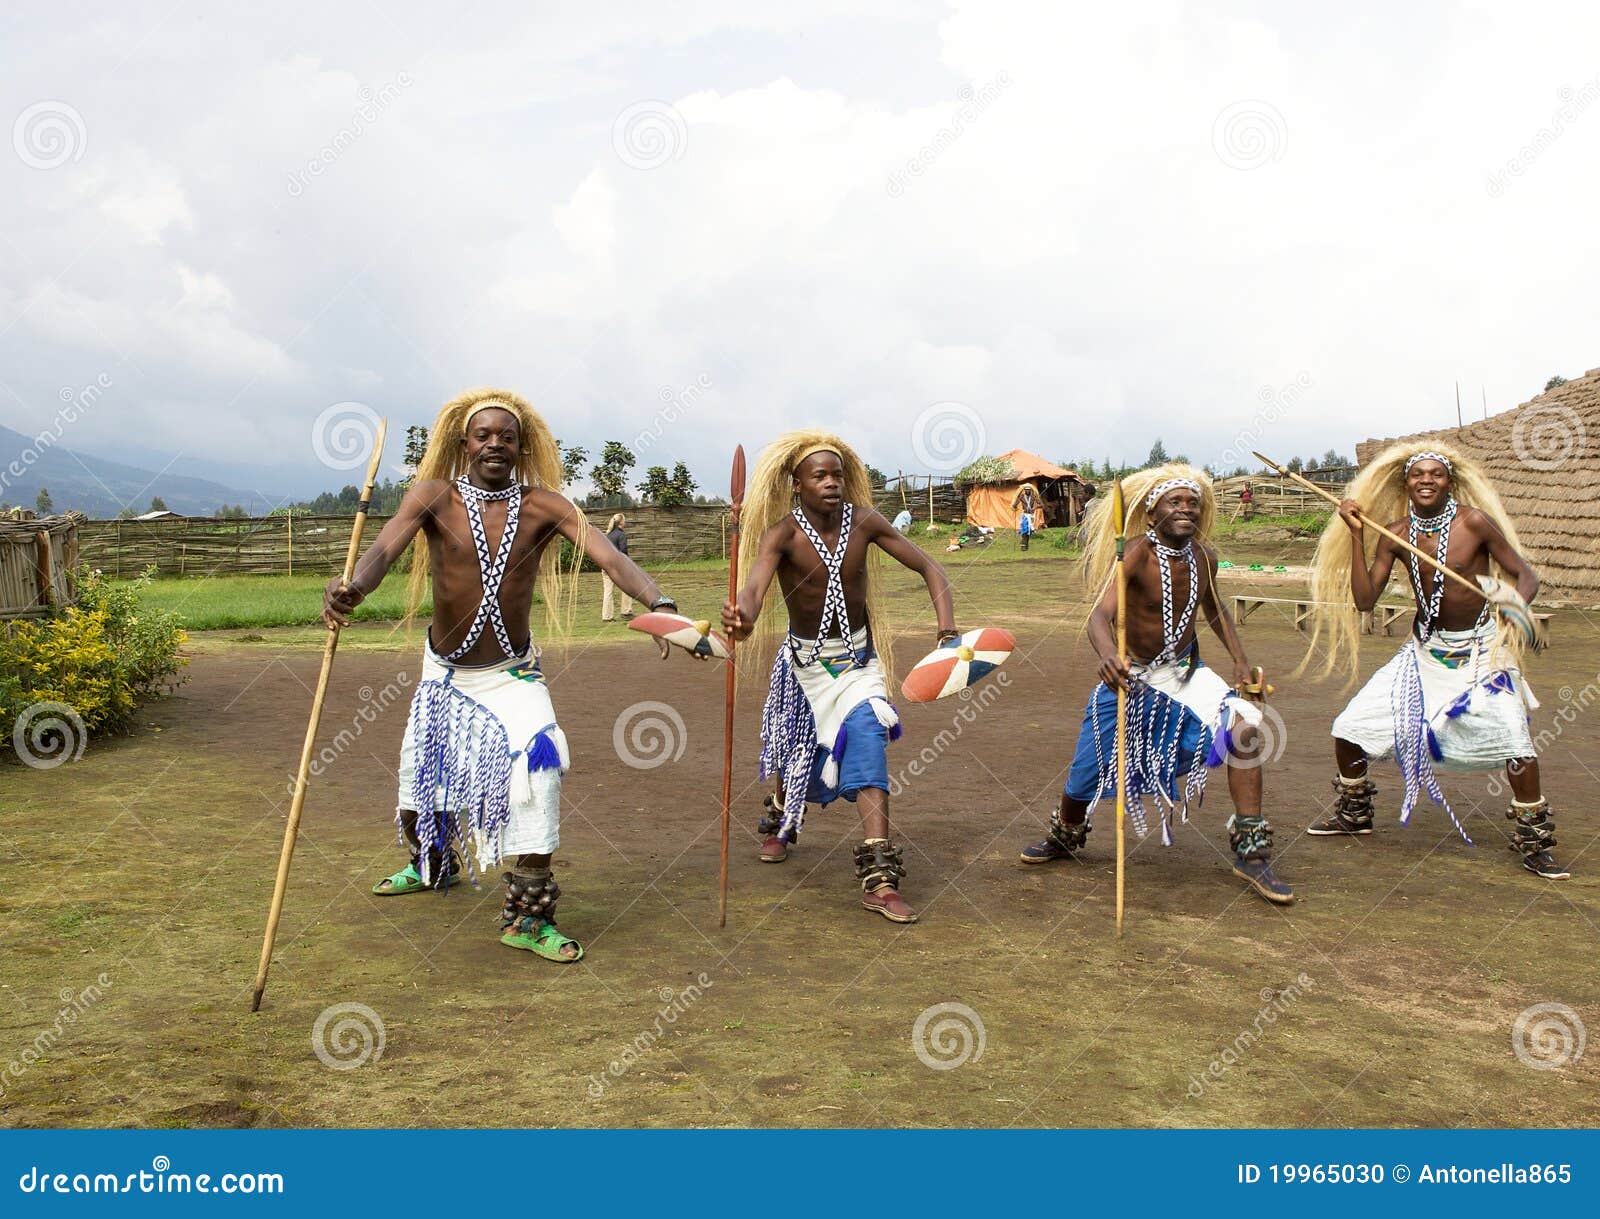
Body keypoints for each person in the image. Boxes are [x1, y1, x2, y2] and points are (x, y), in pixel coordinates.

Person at [322, 388, 694, 963]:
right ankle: (432, 864)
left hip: (514, 676)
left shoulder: (545, 506)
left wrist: (660, 602)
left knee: (541, 768)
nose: (495, 444)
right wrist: (352, 589)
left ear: (522, 449)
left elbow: (609, 557)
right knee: (424, 781)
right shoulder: (433, 497)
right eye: (483, 435)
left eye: (507, 437)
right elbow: (382, 550)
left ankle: (527, 915)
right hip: (444, 676)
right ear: (463, 444)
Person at [1019, 465, 1294, 905]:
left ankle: (1253, 851)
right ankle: (1067, 833)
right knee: (1087, 771)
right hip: (1134, 674)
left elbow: (1215, 610)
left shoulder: (1205, 557)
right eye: (1175, 502)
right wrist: (1110, 656)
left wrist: (1240, 660)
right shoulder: (1134, 554)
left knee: (1244, 728)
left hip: (1185, 672)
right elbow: (1098, 617)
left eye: (1193, 503)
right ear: (1151, 514)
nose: (1187, 509)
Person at [1298, 443, 1566, 879]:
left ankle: (1534, 839)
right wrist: (1356, 535)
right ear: (1406, 483)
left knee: (1515, 740)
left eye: (1435, 474)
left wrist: (1514, 613)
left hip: (1480, 652)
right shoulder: (1395, 533)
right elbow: (1365, 601)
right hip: (1423, 653)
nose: (1426, 480)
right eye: (1418, 474)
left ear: (1450, 482)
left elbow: (1526, 574)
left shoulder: (1473, 523)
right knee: (1349, 728)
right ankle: (1355, 812)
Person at [721, 430, 957, 923]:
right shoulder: (780, 535)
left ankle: (879, 878)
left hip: (859, 665)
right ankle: (782, 817)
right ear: (797, 484)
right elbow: (754, 591)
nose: (831, 483)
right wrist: (740, 618)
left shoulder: (866, 523)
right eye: (819, 476)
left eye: (837, 475)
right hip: (803, 666)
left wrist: (947, 629)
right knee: (798, 749)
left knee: (867, 735)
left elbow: (932, 568)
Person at [600, 512, 636, 621]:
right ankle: (626, 611)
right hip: (618, 567)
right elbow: (623, 551)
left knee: (608, 591)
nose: (625, 522)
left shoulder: (608, 535)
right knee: (627, 588)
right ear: (621, 522)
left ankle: (607, 616)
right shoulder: (621, 535)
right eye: (624, 520)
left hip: (606, 566)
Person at [1013, 482, 1042, 550]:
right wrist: (1015, 507)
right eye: (1026, 490)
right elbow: (1014, 505)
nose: (1027, 491)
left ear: (1031, 490)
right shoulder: (1022, 496)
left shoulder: (1034, 496)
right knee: (1024, 529)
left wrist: (1034, 508)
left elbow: (1041, 505)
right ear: (1024, 490)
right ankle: (1023, 545)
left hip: (1031, 515)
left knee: (1029, 531)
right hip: (1025, 515)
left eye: (1028, 490)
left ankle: (1026, 545)